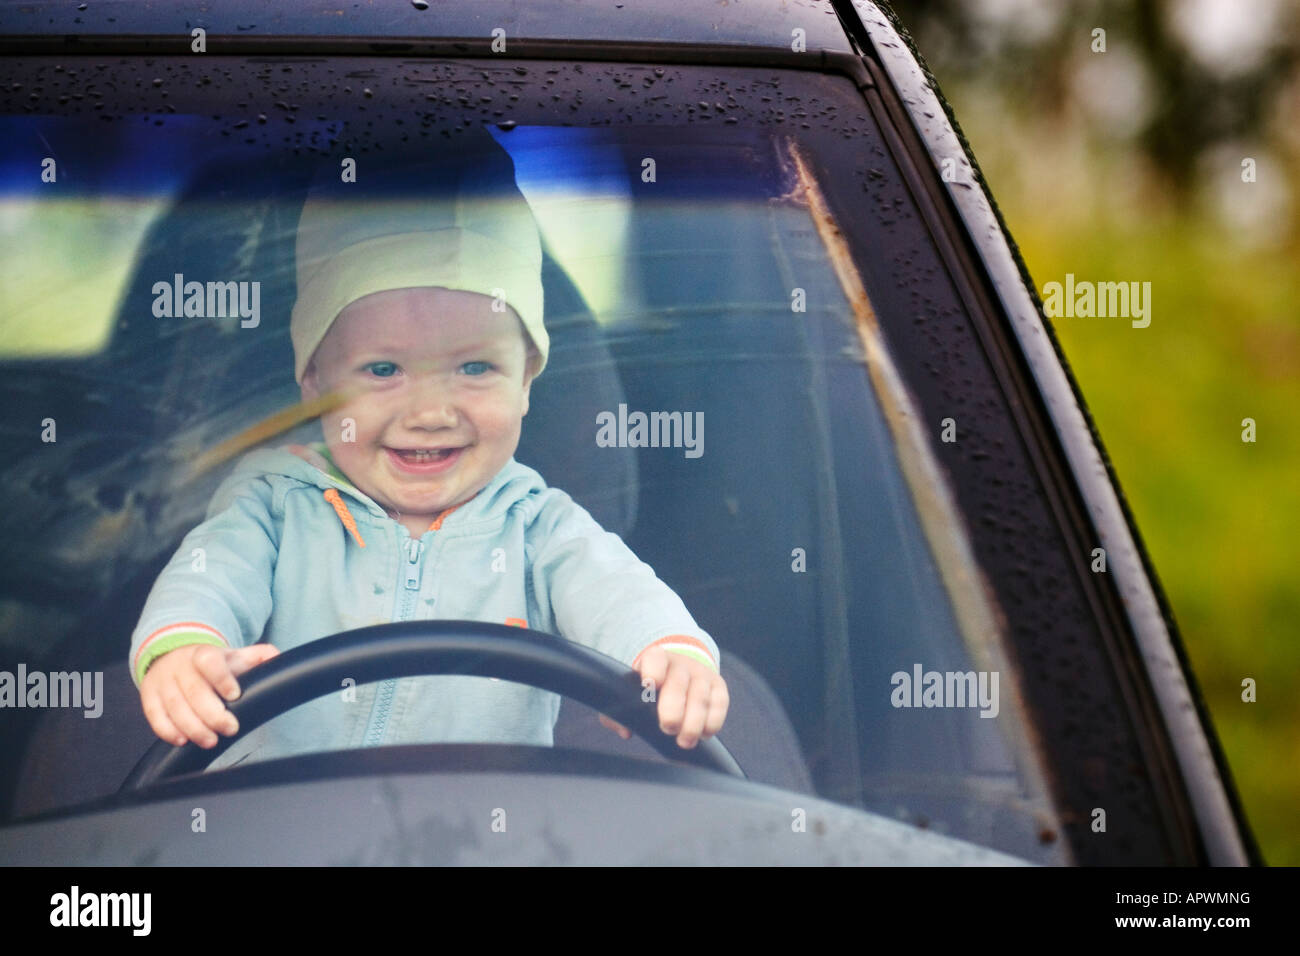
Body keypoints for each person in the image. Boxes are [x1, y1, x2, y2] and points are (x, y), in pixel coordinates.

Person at [127, 145, 727, 769]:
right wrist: (187, 650)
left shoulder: (539, 526)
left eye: (475, 367)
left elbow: (617, 592)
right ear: (314, 383)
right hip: (283, 834)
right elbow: (212, 576)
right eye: (383, 369)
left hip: (478, 837)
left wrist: (669, 653)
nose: (430, 412)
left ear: (527, 380)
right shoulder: (273, 503)